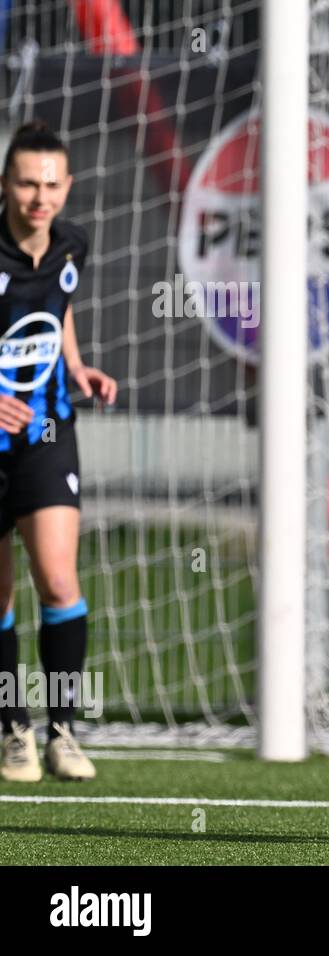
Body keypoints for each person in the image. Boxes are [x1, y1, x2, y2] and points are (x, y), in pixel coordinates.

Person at [0, 120, 117, 783]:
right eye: (26, 183)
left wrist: (76, 367)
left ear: (66, 187)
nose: (38, 197)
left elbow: (58, 306)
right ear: (4, 184)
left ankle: (62, 731)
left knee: (60, 579)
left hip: (47, 432)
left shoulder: (73, 242)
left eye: (50, 184)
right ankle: (12, 726)